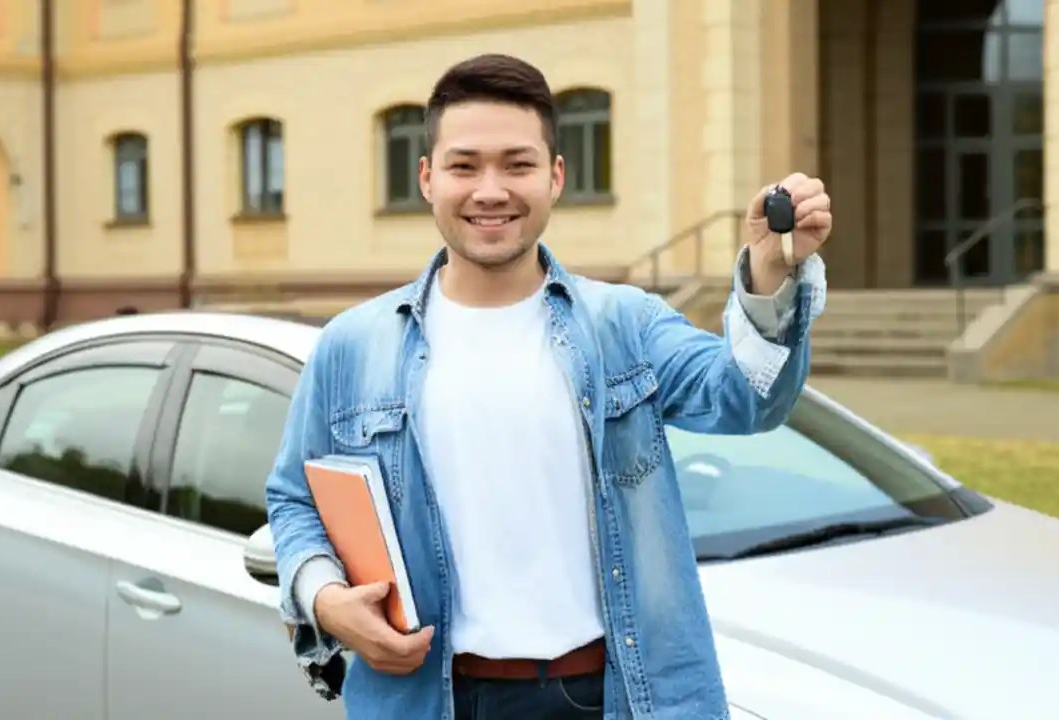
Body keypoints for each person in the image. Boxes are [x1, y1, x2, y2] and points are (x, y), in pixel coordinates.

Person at [265, 52, 831, 720]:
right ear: (427, 177)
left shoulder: (624, 324)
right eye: (464, 165)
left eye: (518, 163)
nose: (491, 189)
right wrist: (326, 600)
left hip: (609, 697)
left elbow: (746, 401)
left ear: (556, 176)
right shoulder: (353, 346)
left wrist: (770, 275)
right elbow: (293, 501)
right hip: (428, 699)